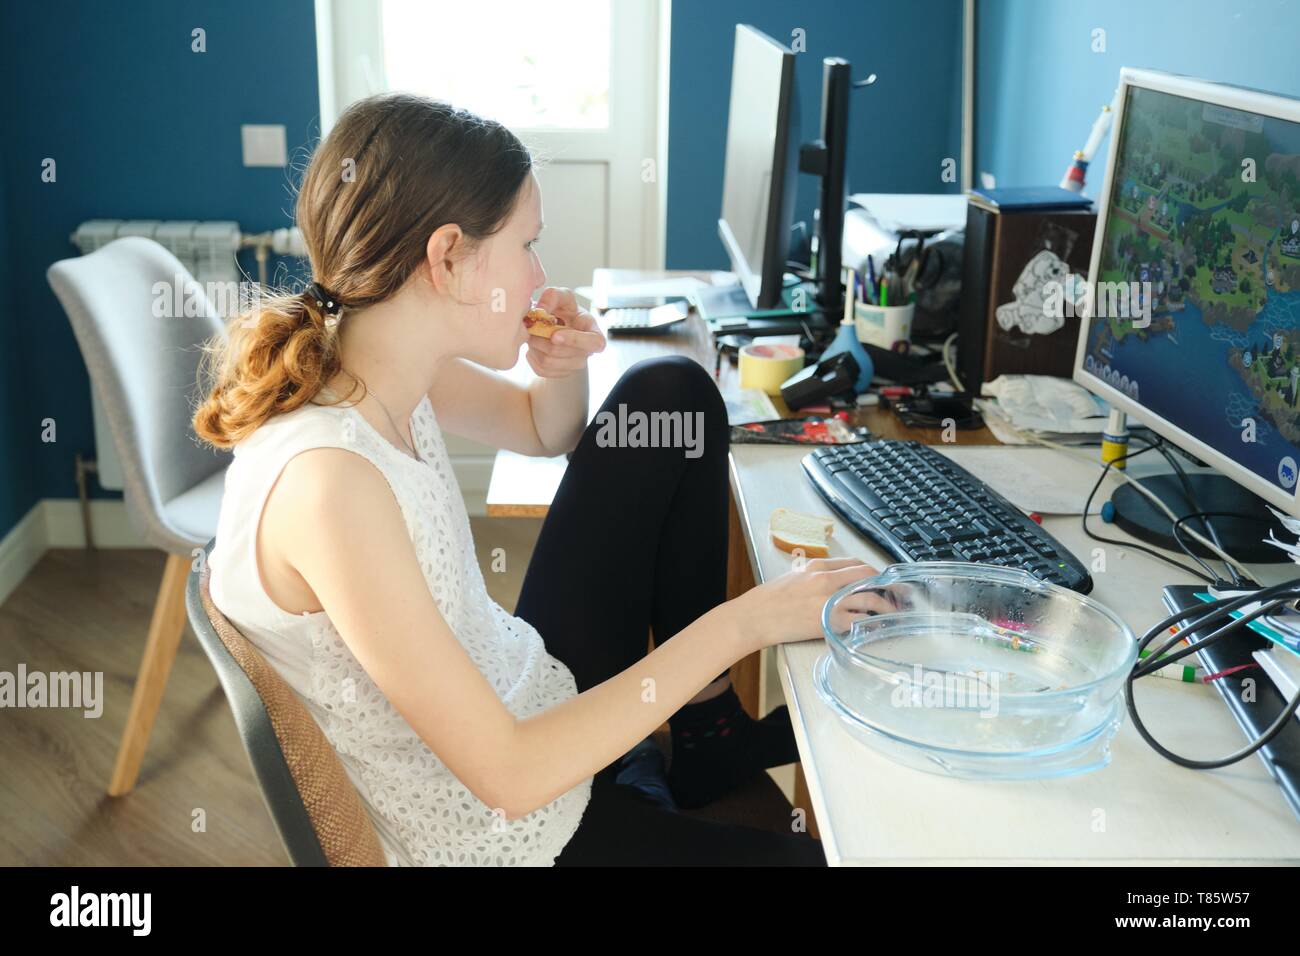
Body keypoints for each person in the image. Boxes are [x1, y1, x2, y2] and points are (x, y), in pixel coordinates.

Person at [194, 92, 875, 866]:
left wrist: (560, 369)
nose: (539, 276)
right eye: (526, 246)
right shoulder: (329, 486)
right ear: (448, 257)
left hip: (514, 684)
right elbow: (510, 778)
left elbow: (543, 430)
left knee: (670, 397)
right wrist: (747, 621)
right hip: (496, 818)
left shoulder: (376, 355)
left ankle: (707, 734)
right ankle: (678, 747)